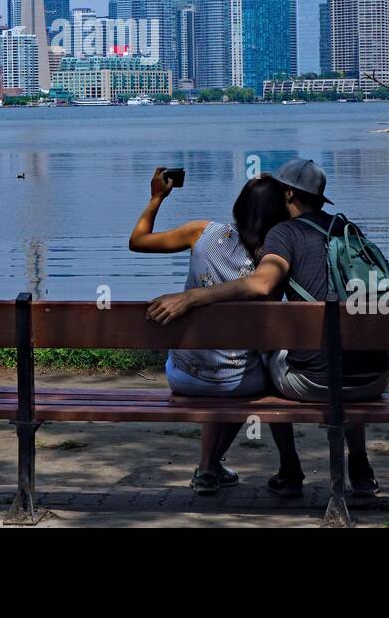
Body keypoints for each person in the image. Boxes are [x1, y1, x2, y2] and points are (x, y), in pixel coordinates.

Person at [146, 158, 387, 500]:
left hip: (317, 384)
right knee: (345, 349)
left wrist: (192, 297)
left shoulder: (284, 235)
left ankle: (290, 468)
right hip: (372, 377)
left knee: (272, 360)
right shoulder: (347, 229)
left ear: (289, 194)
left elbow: (260, 285)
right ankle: (360, 466)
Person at [128, 167, 301, 496]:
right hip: (238, 382)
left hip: (184, 375)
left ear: (238, 207)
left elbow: (138, 241)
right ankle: (287, 466)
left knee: (219, 360)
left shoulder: (201, 232)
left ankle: (209, 468)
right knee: (260, 372)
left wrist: (156, 198)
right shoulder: (274, 261)